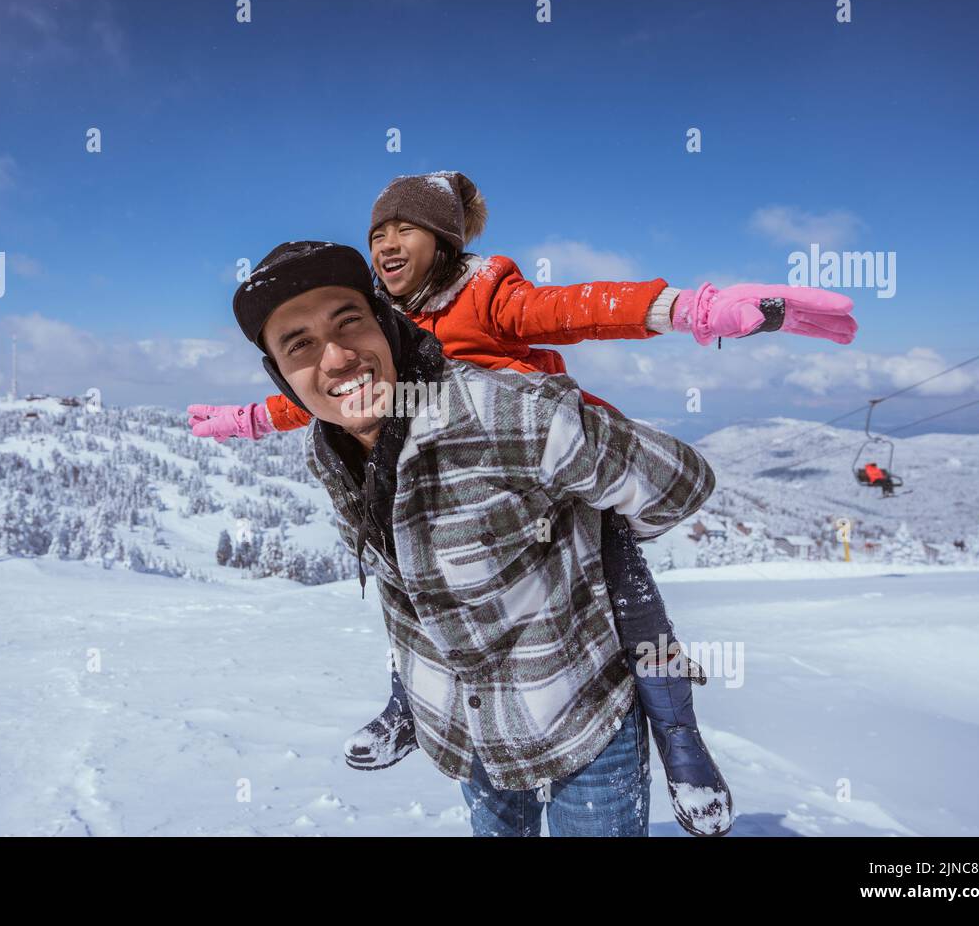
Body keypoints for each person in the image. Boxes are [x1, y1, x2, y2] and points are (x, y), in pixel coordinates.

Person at [192, 173, 857, 835]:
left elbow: (579, 308)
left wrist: (690, 310)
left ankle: (681, 742)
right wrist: (240, 419)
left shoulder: (483, 297)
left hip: (558, 484)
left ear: (446, 242)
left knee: (633, 608)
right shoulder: (369, 360)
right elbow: (310, 391)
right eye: (377, 234)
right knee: (415, 593)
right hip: (477, 707)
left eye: (406, 229)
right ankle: (414, 706)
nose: (389, 245)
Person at [231, 239, 721, 836]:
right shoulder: (329, 448)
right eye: (299, 344)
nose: (335, 358)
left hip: (579, 714)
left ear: (385, 326)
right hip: (467, 728)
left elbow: (680, 483)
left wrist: (590, 540)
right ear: (281, 376)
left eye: (349, 321)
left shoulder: (504, 412)